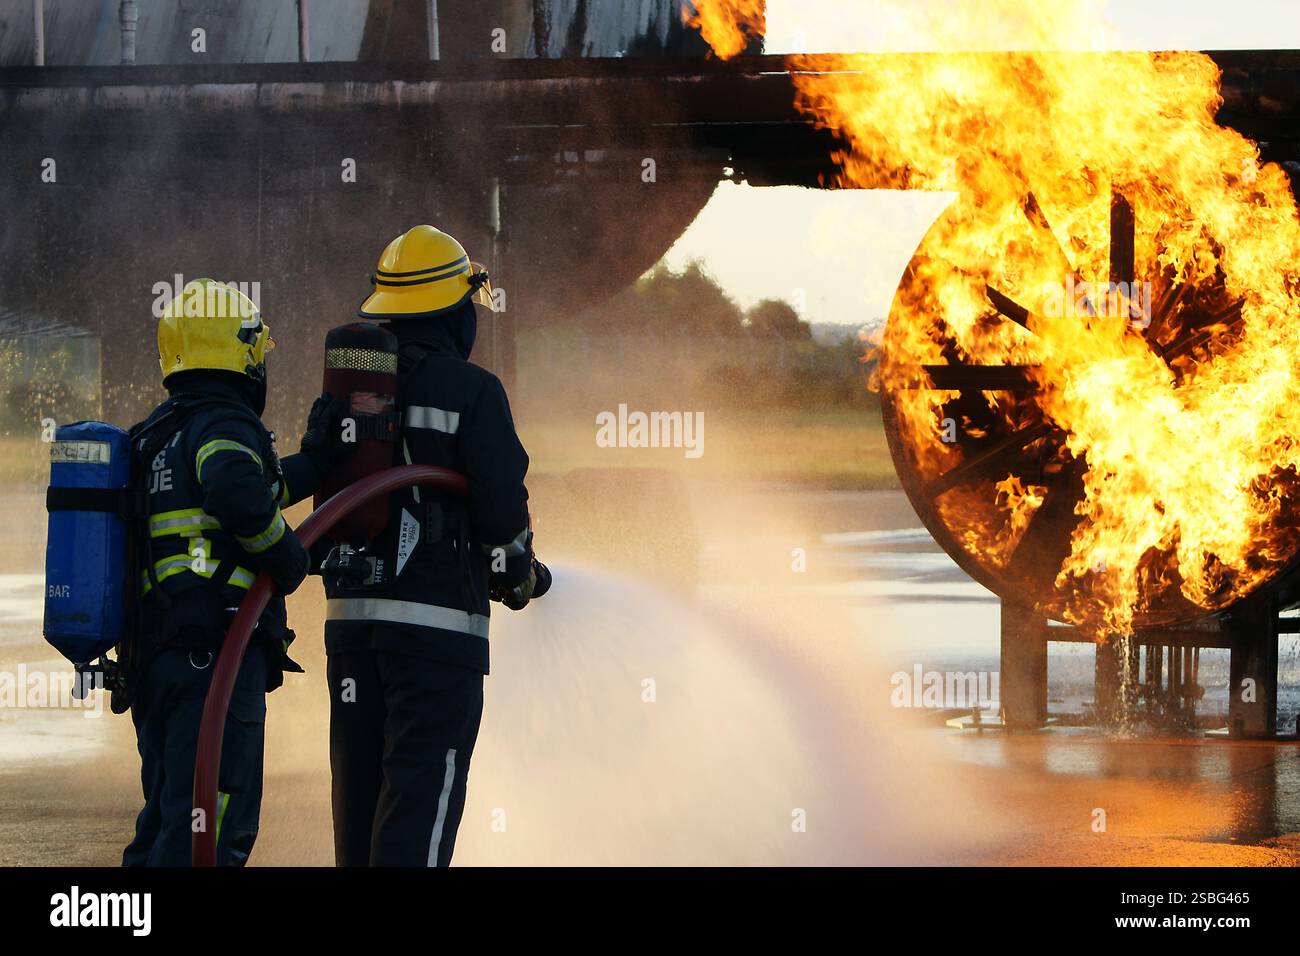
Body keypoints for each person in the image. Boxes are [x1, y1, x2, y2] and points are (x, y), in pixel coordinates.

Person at [321, 224, 548, 867]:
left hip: (353, 633)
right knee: (420, 802)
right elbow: (501, 509)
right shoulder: (472, 391)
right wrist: (518, 572)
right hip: (435, 635)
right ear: (453, 310)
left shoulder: (354, 389)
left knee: (359, 805)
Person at [122, 278, 348, 866]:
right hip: (213, 655)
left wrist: (317, 461)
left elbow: (257, 488)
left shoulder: (158, 432)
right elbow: (237, 494)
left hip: (160, 660)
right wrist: (289, 559)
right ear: (241, 352)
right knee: (211, 826)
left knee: (169, 817)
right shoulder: (224, 422)